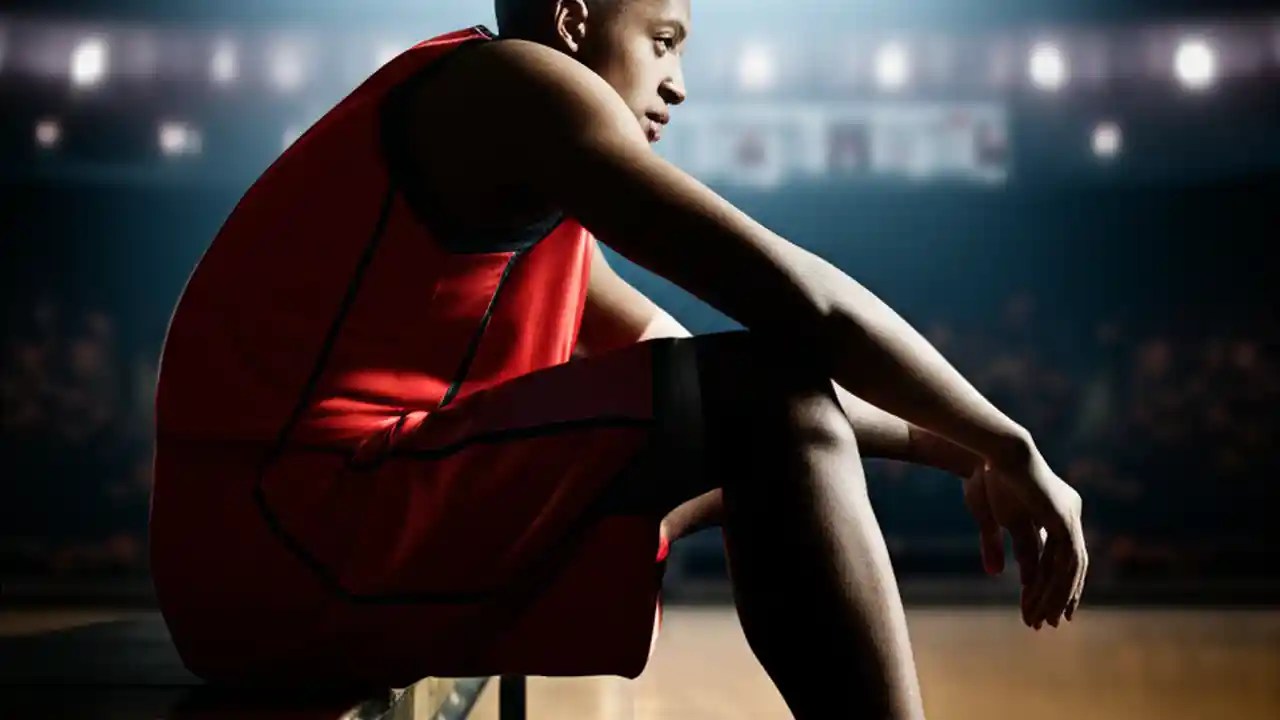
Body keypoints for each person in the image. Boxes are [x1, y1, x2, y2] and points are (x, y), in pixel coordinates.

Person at [149, 1, 1088, 717]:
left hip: (278, 553)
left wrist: (950, 448)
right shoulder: (514, 85)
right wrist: (1008, 444)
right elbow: (799, 304)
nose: (679, 84)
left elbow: (703, 367)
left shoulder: (521, 184)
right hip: (291, 539)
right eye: (666, 40)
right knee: (762, 392)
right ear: (571, 21)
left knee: (770, 413)